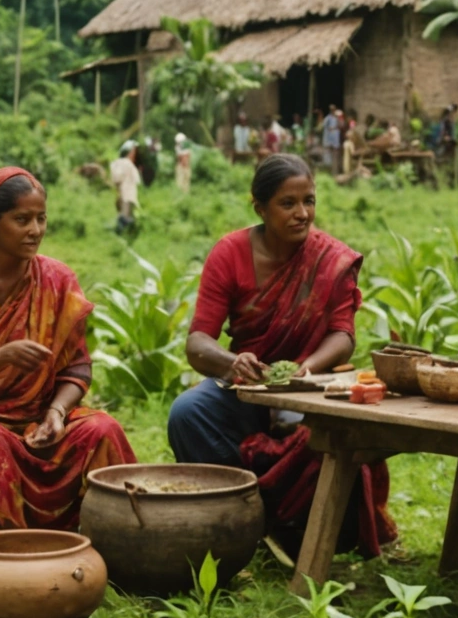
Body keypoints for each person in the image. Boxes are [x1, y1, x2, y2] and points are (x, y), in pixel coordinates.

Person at [167, 154, 397, 558]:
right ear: (260, 207)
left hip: (311, 388)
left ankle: (297, 525)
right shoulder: (230, 253)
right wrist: (232, 362)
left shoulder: (332, 259)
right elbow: (198, 341)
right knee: (187, 414)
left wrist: (305, 370)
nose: (302, 213)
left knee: (328, 437)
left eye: (309, 201)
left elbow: (342, 336)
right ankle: (242, 518)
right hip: (246, 385)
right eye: (287, 204)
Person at [0, 168, 136, 530]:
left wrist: (56, 413)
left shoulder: (57, 279)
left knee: (103, 430)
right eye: (21, 219)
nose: (35, 230)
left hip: (38, 417)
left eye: (41, 218)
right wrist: (1, 357)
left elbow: (77, 368)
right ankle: (8, 554)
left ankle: (116, 541)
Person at [108, 141, 141, 234]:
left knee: (126, 218)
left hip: (126, 196)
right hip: (127, 196)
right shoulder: (127, 164)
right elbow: (119, 179)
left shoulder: (119, 164)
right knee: (125, 219)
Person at [321, 108, 342, 172]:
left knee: (335, 156)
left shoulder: (337, 119)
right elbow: (325, 126)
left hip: (335, 141)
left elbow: (339, 126)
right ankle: (327, 169)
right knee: (327, 154)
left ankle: (335, 170)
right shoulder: (327, 119)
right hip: (328, 139)